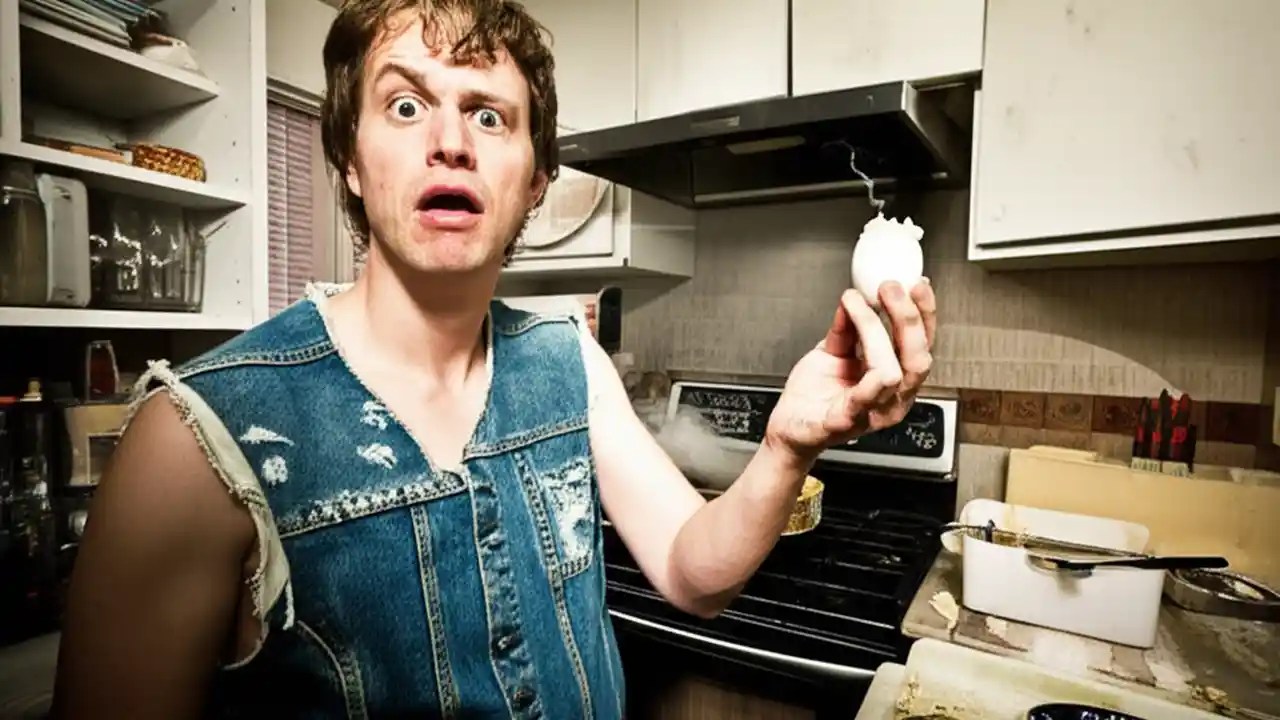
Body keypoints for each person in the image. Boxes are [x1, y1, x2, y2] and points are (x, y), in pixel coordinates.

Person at [50, 0, 937, 718]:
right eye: (406, 105)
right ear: (350, 159)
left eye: (488, 114)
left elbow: (690, 571)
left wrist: (786, 443)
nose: (450, 140)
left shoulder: (567, 361)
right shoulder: (192, 443)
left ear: (535, 181)